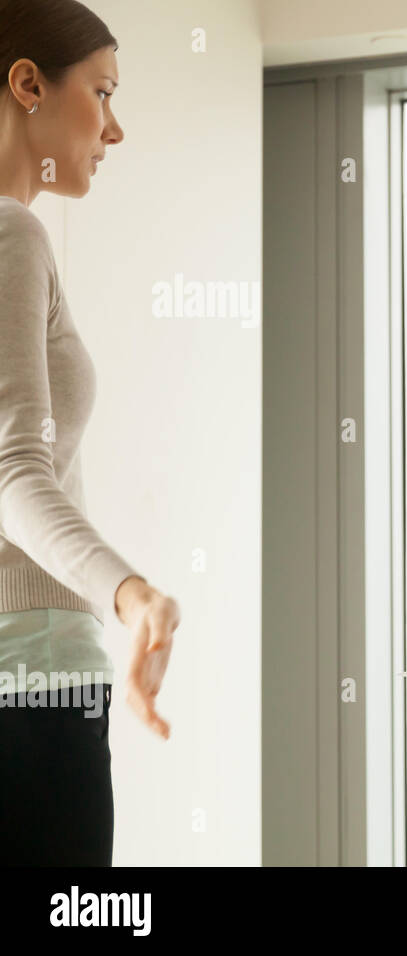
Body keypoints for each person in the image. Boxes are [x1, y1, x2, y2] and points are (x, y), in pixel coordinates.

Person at [0, 0, 180, 866]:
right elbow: (11, 470)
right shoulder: (11, 233)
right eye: (102, 92)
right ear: (28, 83)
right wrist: (130, 592)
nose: (114, 129)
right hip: (30, 687)